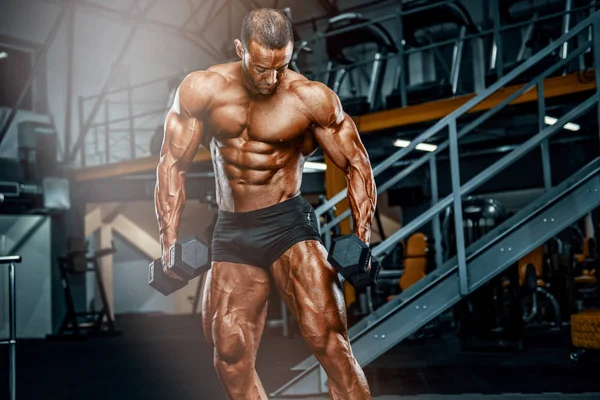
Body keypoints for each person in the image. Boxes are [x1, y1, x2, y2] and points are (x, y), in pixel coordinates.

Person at [154, 8, 376, 400]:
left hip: (288, 225)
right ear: (240, 48)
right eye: (260, 68)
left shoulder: (309, 98)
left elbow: (356, 164)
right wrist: (168, 242)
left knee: (330, 343)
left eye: (281, 66)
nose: (270, 79)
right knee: (229, 354)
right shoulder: (202, 90)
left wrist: (361, 237)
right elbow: (172, 164)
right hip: (233, 231)